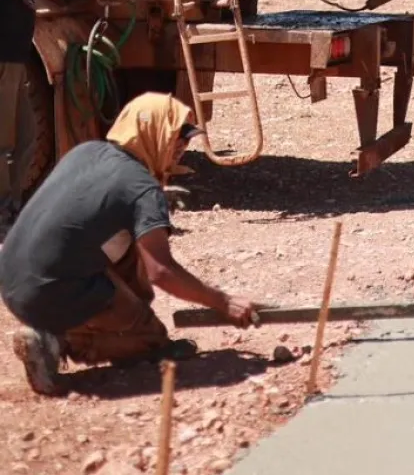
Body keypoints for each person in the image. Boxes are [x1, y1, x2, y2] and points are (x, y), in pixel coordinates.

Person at [0, 92, 261, 396]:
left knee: (132, 241)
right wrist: (223, 301)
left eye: (187, 138)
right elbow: (161, 271)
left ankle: (97, 319)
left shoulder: (87, 151)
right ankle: (55, 342)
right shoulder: (142, 188)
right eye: (177, 135)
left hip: (12, 282)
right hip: (47, 293)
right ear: (151, 132)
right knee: (151, 341)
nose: (183, 146)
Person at [0, 0, 34, 235]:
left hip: (15, 59)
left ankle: (14, 205)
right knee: (3, 143)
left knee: (26, 137)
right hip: (2, 60)